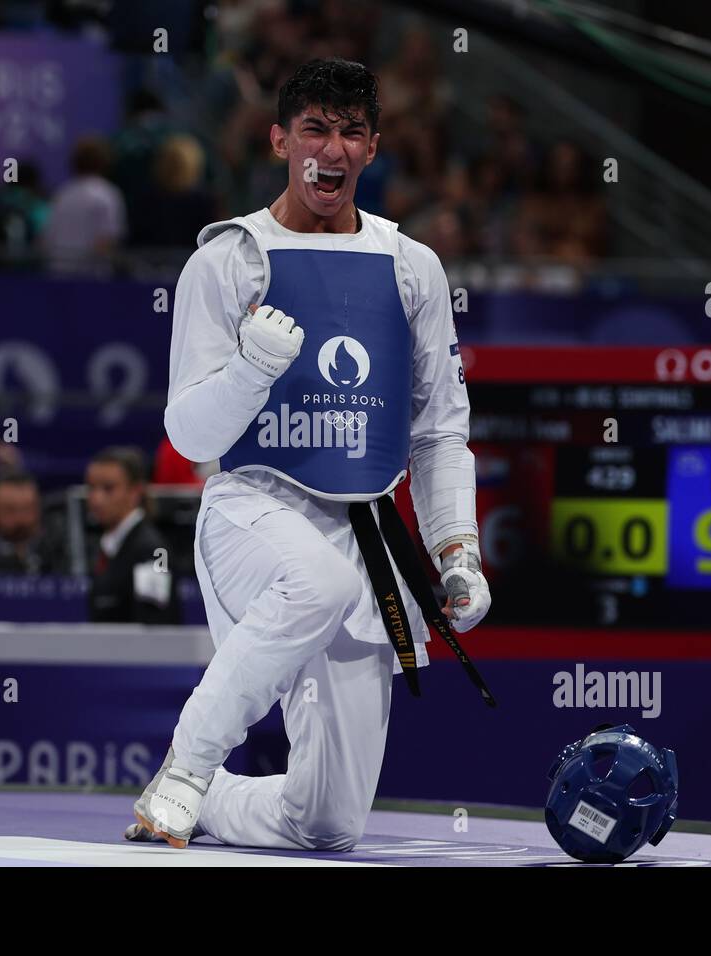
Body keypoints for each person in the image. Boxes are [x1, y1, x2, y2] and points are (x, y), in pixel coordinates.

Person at [127, 58, 491, 851]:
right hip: (251, 509)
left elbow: (438, 432)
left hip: (367, 532)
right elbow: (189, 437)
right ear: (279, 140)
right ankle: (186, 769)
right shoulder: (227, 260)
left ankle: (214, 800)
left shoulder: (413, 268)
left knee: (326, 825)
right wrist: (251, 370)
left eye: (350, 131)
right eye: (315, 129)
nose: (332, 147)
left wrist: (457, 550)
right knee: (313, 582)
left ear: (372, 147)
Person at [86, 446, 179, 624]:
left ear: (135, 492)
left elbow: (154, 626)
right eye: (92, 488)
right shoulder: (109, 547)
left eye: (108, 488)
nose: (96, 498)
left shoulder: (152, 551)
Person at [41, 135, 125, 274]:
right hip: (91, 279)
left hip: (60, 275)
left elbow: (46, 239)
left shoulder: (62, 194)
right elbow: (107, 239)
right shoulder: (107, 194)